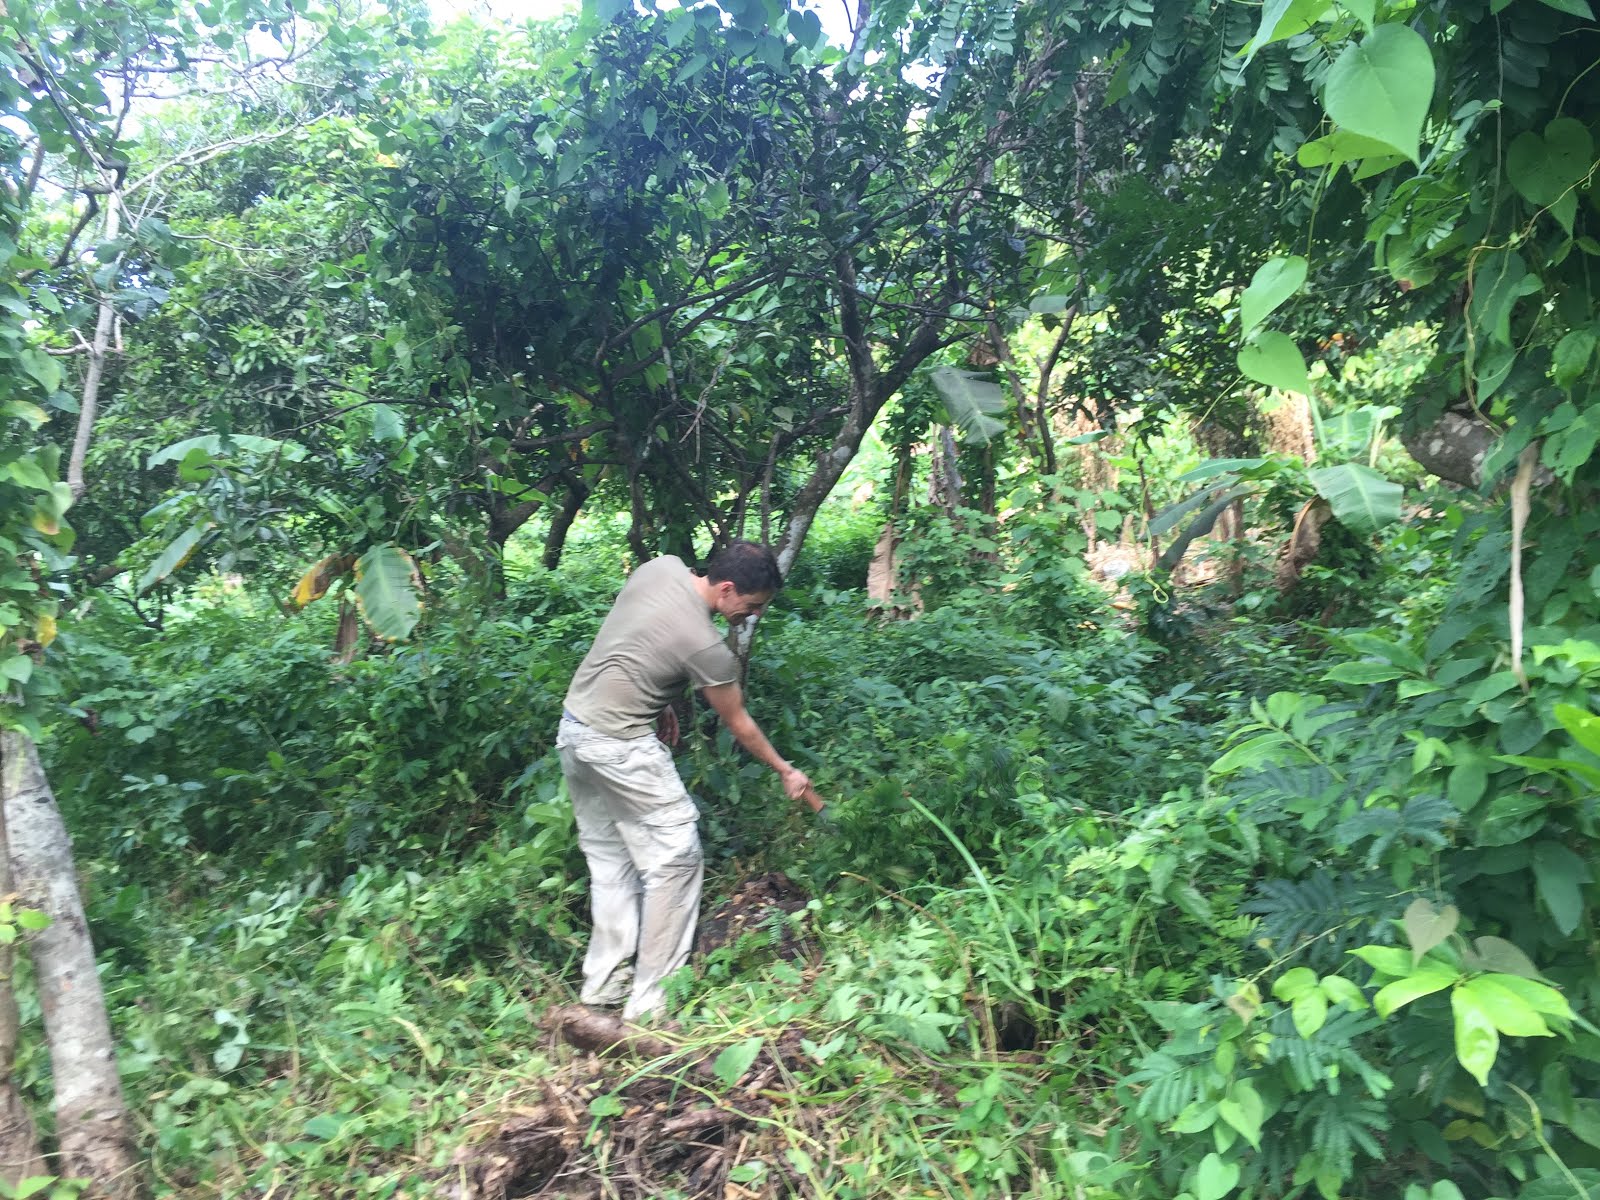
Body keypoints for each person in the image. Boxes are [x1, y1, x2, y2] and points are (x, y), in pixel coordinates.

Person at [556, 540, 817, 1021]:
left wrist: (663, 705)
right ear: (727, 588)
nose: (749, 617)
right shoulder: (707, 646)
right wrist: (785, 769)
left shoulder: (660, 568)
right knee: (675, 859)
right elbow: (739, 723)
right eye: (751, 606)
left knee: (611, 861)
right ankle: (652, 1004)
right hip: (620, 746)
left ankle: (602, 985)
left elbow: (640, 636)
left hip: (575, 731)